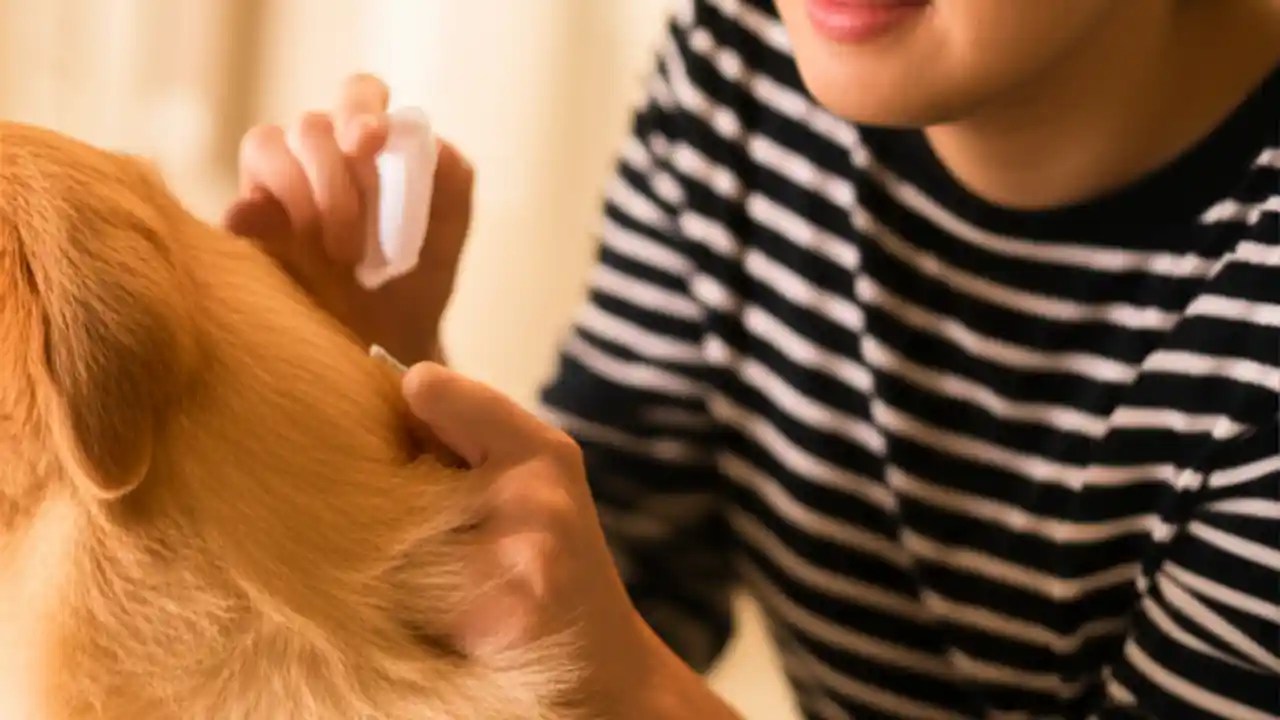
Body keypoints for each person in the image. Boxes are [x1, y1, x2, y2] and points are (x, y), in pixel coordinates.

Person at [225, 0, 1280, 717]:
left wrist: (634, 691)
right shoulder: (748, 64)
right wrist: (375, 377)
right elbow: (622, 574)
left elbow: (612, 661)